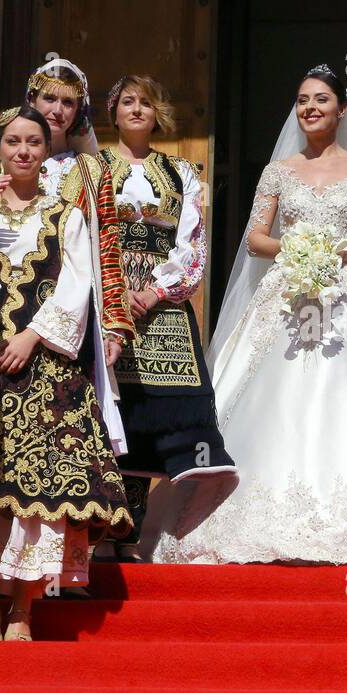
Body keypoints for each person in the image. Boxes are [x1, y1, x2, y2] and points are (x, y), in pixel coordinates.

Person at [145, 66, 347, 565]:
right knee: (264, 390)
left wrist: (333, 252)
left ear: (341, 109)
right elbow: (256, 237)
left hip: (346, 294)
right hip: (287, 291)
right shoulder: (279, 171)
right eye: (303, 100)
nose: (311, 109)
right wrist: (296, 248)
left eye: (322, 100)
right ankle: (235, 515)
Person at [0, 105, 133, 637]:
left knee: (43, 492)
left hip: (47, 373)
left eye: (34, 142)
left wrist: (33, 335)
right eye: (13, 141)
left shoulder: (67, 215)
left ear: (47, 151)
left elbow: (75, 285)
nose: (23, 151)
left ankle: (23, 610)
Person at [97, 75, 236, 560]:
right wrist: (112, 291)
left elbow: (192, 246)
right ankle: (111, 528)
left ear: (158, 115)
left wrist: (154, 291)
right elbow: (79, 237)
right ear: (113, 111)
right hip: (106, 305)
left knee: (171, 410)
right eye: (128, 101)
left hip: (164, 310)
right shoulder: (89, 170)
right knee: (117, 412)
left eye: (147, 103)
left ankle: (151, 532)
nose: (137, 110)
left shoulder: (181, 173)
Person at [0, 59, 134, 471]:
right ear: (31, 98)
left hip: (67, 310)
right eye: (48, 98)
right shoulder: (6, 161)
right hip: (5, 307)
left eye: (68, 102)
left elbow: (105, 245)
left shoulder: (91, 168)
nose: (57, 109)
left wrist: (115, 321)